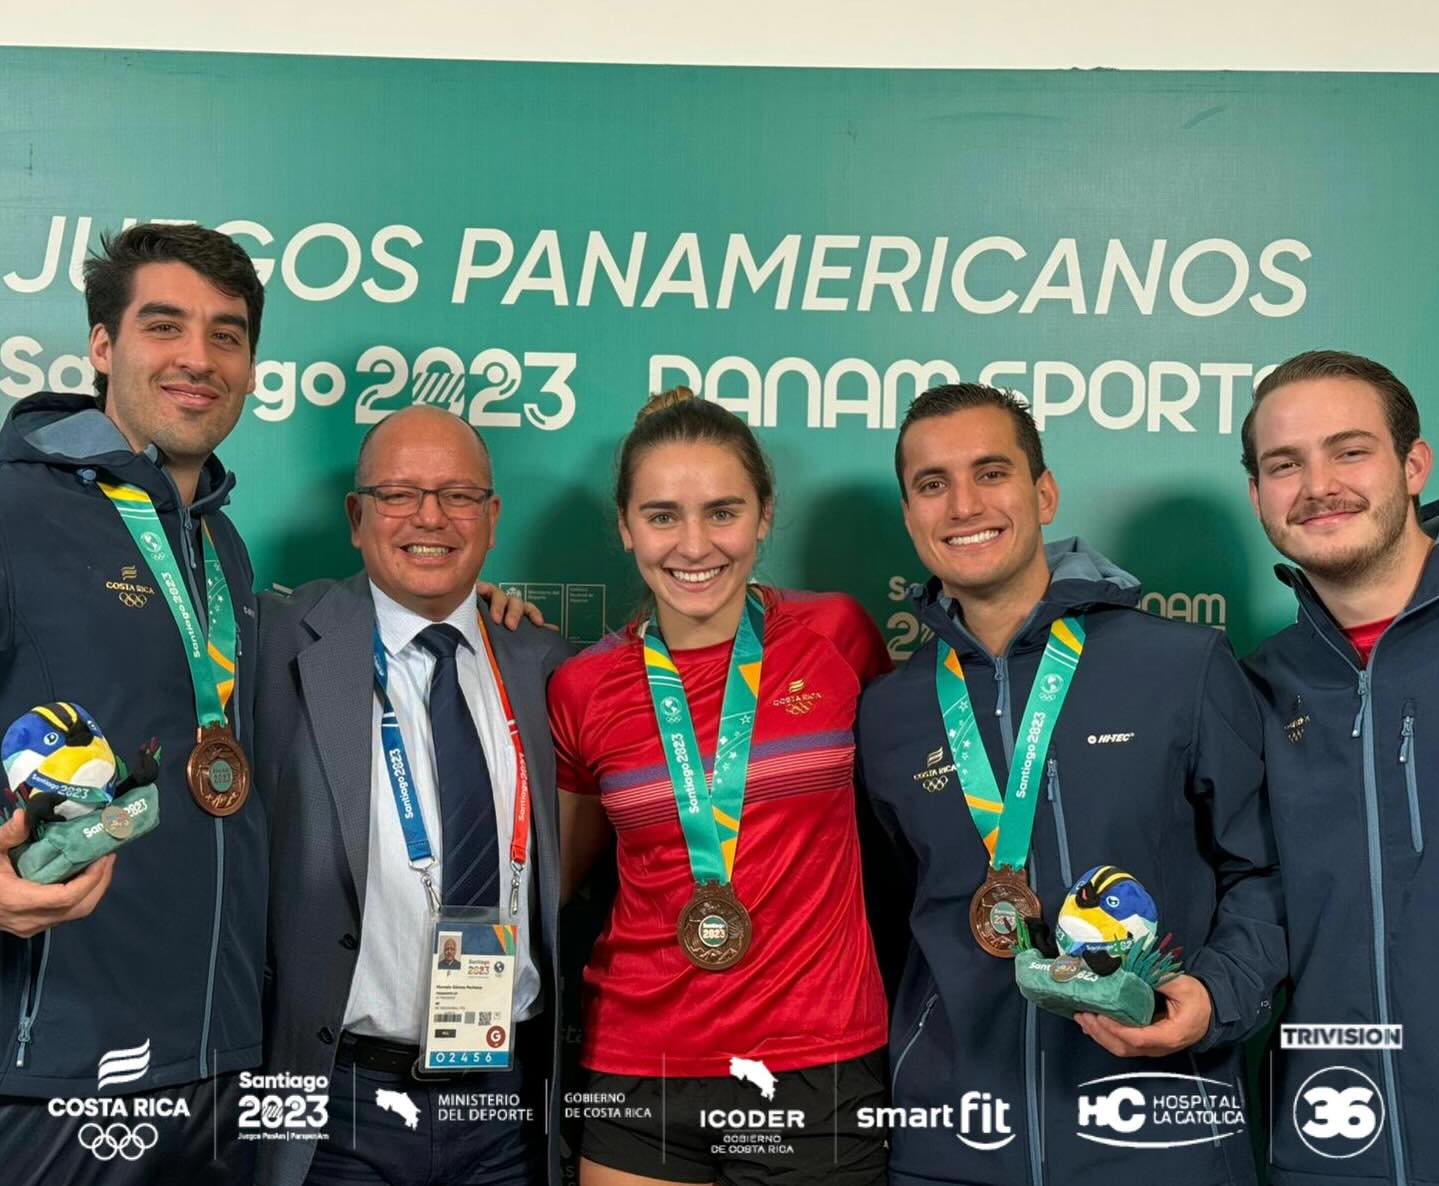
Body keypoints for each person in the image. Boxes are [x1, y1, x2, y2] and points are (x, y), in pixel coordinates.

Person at [858, 383, 1286, 1186]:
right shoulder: (889, 711)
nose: (963, 505)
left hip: (1163, 1133)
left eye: (991, 473)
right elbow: (886, 916)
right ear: (910, 514)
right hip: (951, 1145)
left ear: (1044, 492)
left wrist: (1216, 997)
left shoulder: (1181, 665)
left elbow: (1261, 871)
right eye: (931, 484)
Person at [548, 388, 891, 1186]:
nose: (694, 544)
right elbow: (562, 877)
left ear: (766, 515)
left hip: (818, 1063)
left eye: (723, 512)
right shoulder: (582, 687)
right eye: (663, 515)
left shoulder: (838, 635)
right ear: (625, 525)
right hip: (639, 1060)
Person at [0, 222, 267, 1184]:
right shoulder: (15, 509)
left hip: (216, 1064)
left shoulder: (220, 542)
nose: (199, 358)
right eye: (165, 326)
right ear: (103, 347)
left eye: (227, 335)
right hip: (57, 1075)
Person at [255, 404, 572, 1186]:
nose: (430, 516)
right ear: (357, 517)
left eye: (458, 496)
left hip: (507, 1108)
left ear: (492, 519)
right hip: (338, 1105)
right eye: (399, 494)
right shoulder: (275, 644)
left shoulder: (548, 664)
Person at [1241, 350, 1437, 1185]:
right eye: (1285, 464)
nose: (1318, 484)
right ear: (1257, 495)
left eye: (1349, 450)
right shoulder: (1255, 685)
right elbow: (1253, 904)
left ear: (1414, 464)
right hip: (1333, 1135)